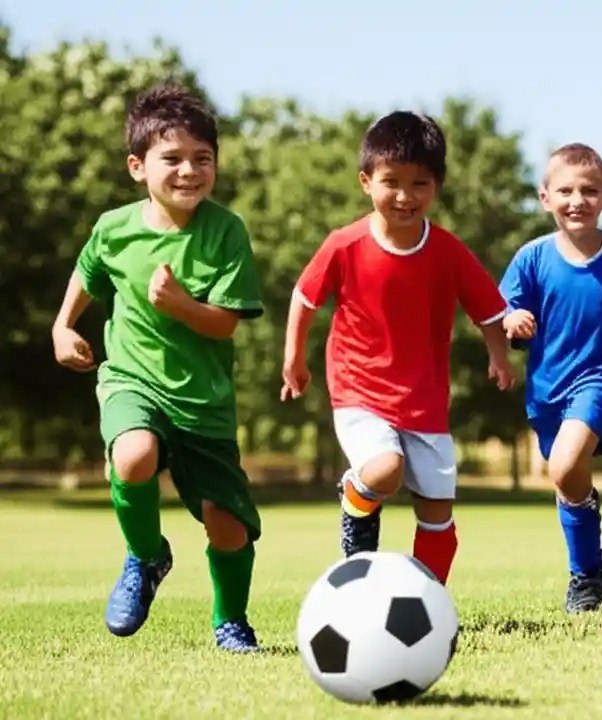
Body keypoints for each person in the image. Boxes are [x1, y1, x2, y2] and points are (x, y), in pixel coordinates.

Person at [51, 83, 266, 652]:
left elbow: (225, 323)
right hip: (132, 380)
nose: (189, 171)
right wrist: (63, 325)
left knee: (228, 525)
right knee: (133, 453)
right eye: (172, 159)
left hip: (204, 402)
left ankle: (230, 621)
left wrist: (181, 306)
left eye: (203, 159)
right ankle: (146, 557)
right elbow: (88, 273)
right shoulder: (114, 228)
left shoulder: (226, 231)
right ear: (137, 167)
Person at [281, 110, 514, 586]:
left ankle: (425, 600)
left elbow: (488, 309)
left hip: (425, 403)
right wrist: (294, 360)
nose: (405, 197)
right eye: (392, 182)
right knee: (385, 469)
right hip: (359, 391)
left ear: (438, 185)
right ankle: (357, 500)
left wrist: (498, 356)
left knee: (438, 514)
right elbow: (304, 299)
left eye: (420, 183)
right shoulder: (343, 245)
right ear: (366, 181)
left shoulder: (448, 251)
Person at [499, 143, 602, 613]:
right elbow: (501, 309)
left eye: (588, 191)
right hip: (546, 389)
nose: (576, 200)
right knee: (568, 482)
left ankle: (584, 574)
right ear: (545, 198)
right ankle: (589, 568)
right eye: (565, 191)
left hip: (600, 377)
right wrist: (512, 319)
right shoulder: (532, 258)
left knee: (563, 469)